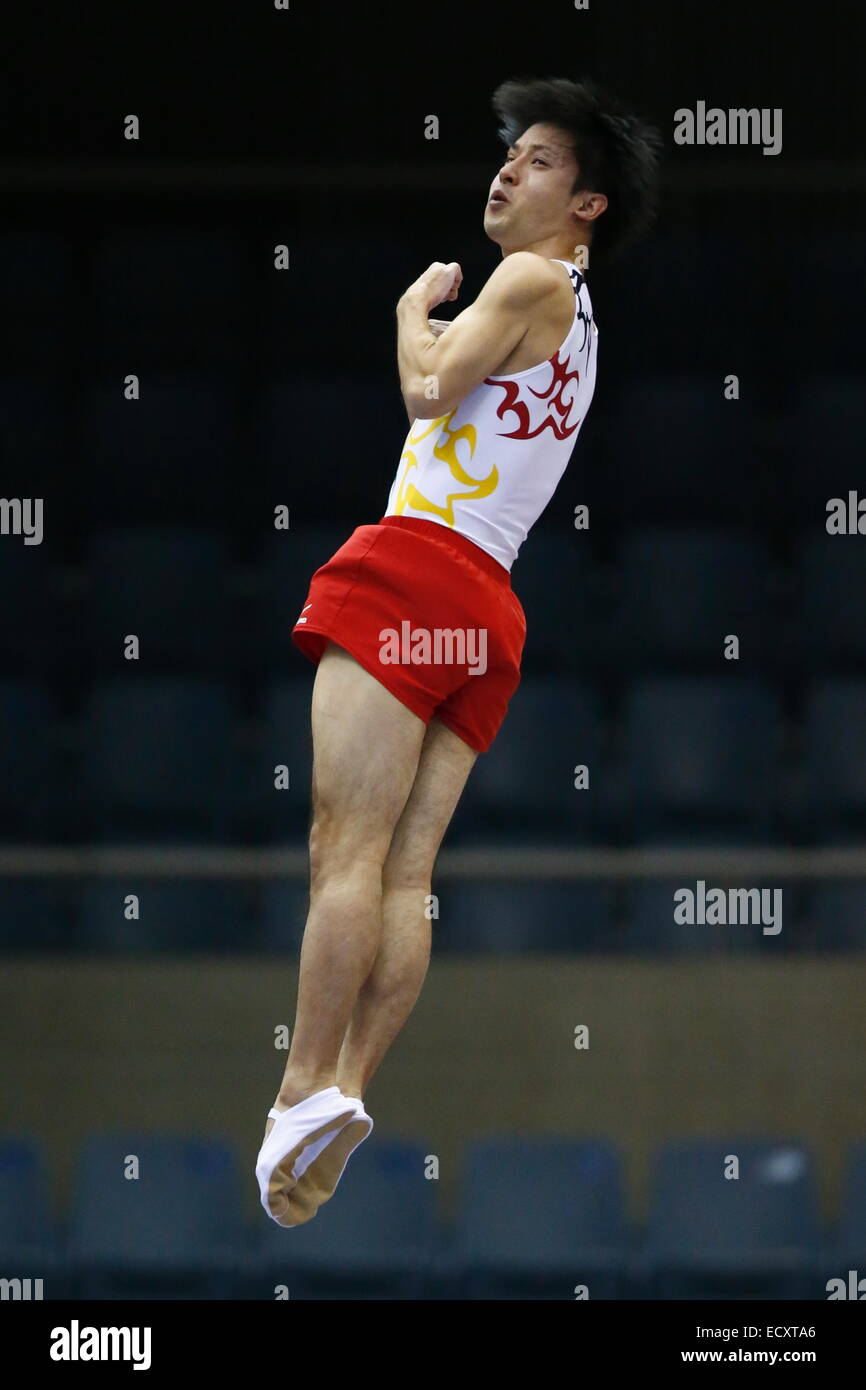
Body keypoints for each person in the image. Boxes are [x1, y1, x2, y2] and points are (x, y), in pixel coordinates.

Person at [256, 76, 661, 1227]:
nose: (505, 170)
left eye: (536, 161)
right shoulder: (582, 325)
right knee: (404, 876)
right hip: (490, 609)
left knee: (344, 848)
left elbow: (431, 393)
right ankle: (342, 1092)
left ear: (583, 204)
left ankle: (296, 1083)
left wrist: (406, 315)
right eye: (508, 153)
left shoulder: (527, 278)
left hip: (416, 566)